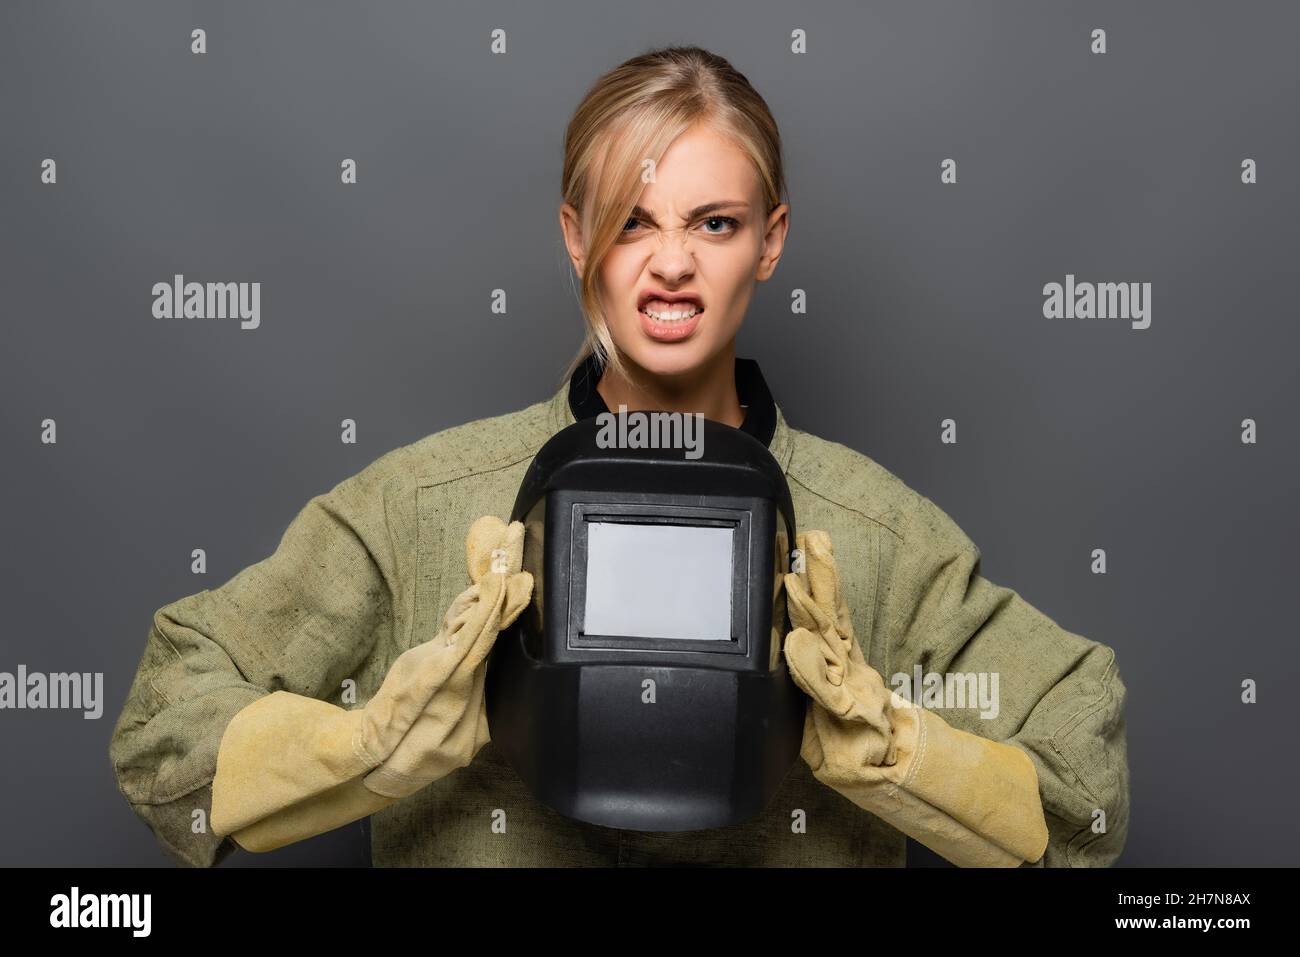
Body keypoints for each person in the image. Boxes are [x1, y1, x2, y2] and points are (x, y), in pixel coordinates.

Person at [109, 45, 1129, 868]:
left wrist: (905, 754)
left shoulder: (876, 535)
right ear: (573, 234)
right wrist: (363, 745)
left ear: (769, 243)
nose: (671, 262)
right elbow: (165, 729)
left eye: (714, 223)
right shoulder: (425, 505)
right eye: (629, 222)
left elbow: (1086, 801)